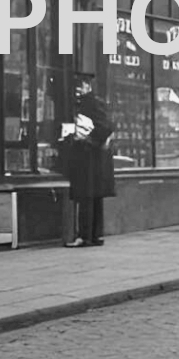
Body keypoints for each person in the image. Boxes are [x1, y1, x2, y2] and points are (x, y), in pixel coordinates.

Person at [62, 93, 117, 247]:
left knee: (85, 198)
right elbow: (107, 127)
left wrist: (86, 140)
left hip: (87, 161)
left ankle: (85, 236)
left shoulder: (88, 105)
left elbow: (104, 128)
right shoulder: (97, 105)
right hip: (96, 163)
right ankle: (95, 236)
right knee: (95, 199)